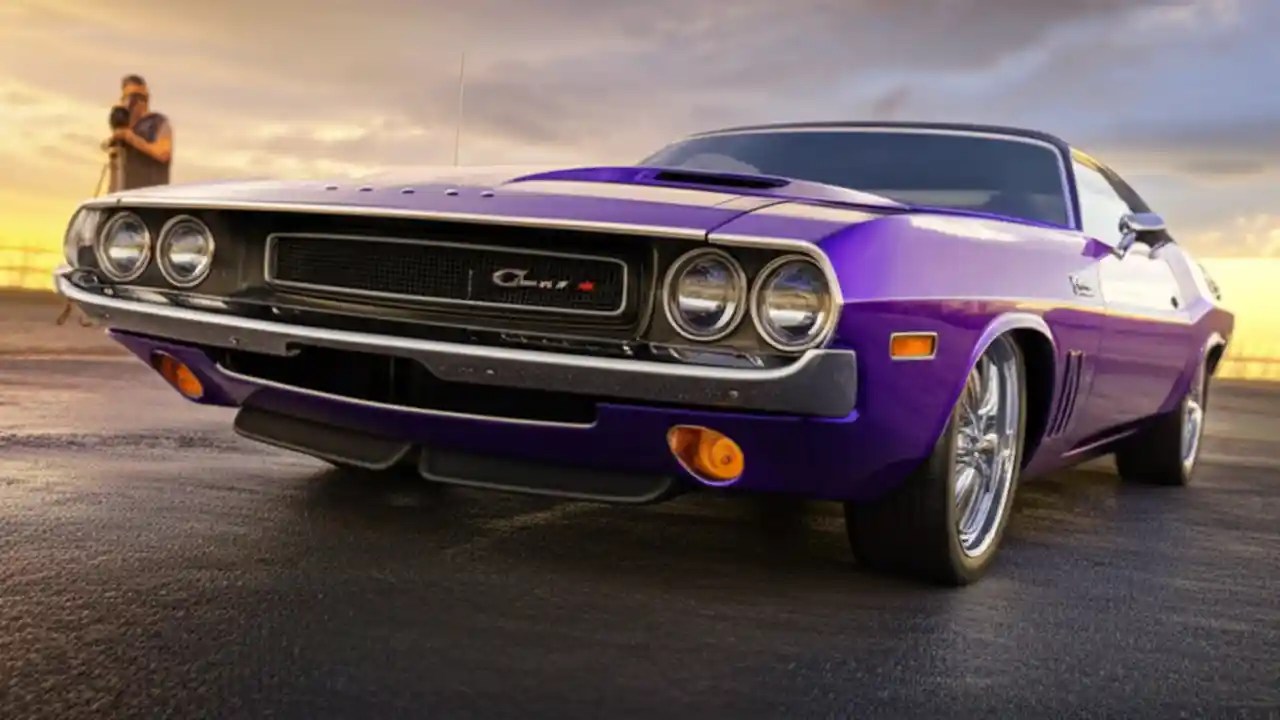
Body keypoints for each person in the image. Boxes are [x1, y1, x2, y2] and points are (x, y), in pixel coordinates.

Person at [103, 74, 173, 192]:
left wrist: (131, 138)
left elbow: (163, 153)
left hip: (149, 198)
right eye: (130, 97)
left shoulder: (158, 122)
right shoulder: (126, 127)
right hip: (122, 197)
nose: (133, 102)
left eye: (139, 97)